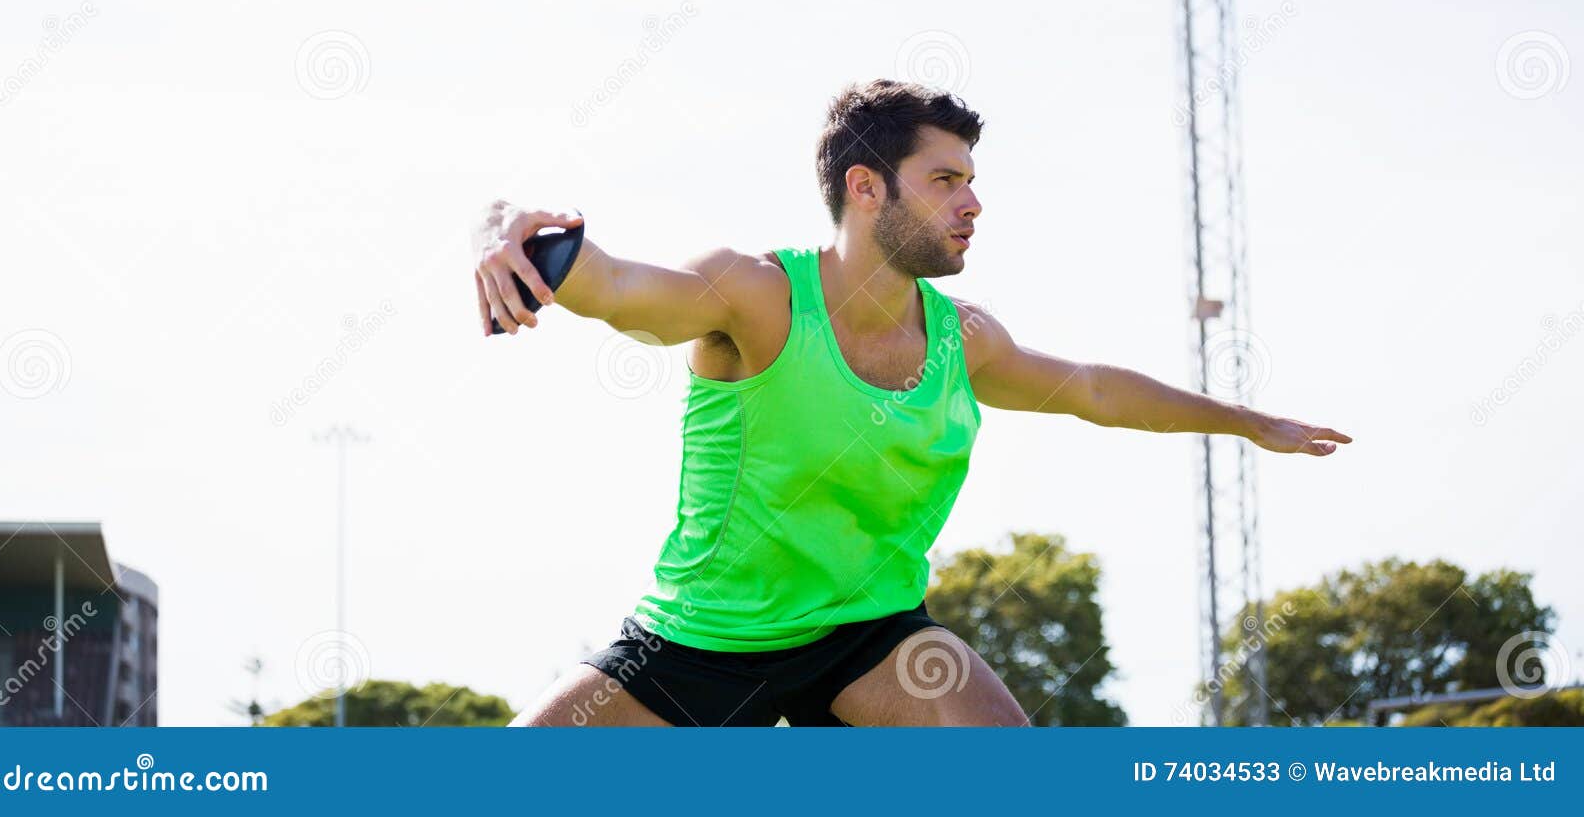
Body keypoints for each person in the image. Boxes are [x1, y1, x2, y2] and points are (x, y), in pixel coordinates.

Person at [473, 80, 1351, 726]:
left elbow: (1090, 388)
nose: (973, 203)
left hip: (868, 636)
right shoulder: (754, 295)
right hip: (699, 641)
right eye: (945, 180)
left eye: (970, 180)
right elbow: (619, 286)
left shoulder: (965, 340)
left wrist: (1247, 420)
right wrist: (507, 223)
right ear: (866, 187)